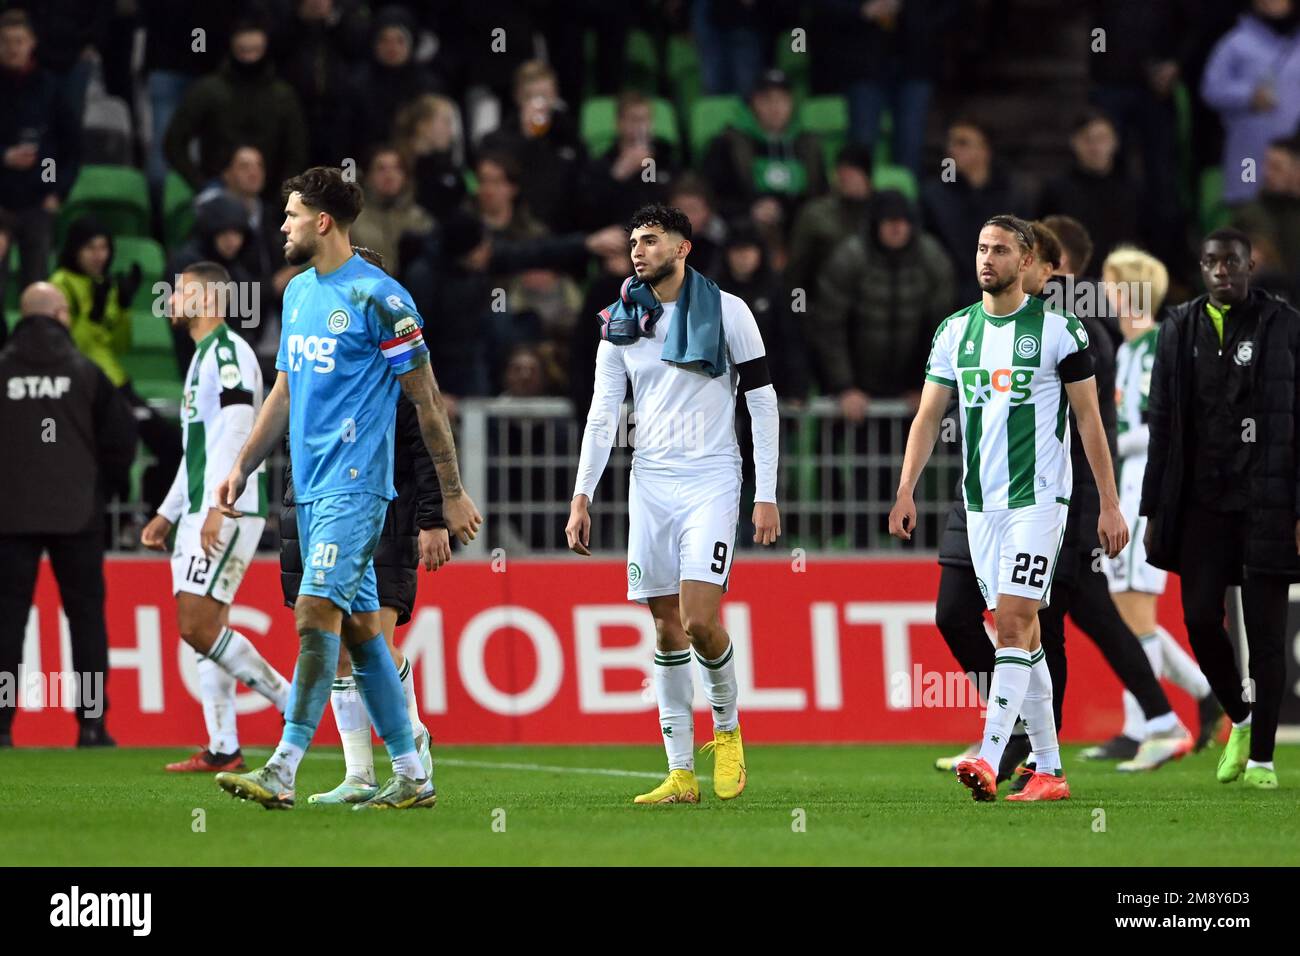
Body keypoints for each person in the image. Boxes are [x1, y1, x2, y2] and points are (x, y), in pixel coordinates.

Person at [213, 166, 481, 810]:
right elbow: (284, 390)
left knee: (314, 618)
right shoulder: (299, 293)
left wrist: (451, 493)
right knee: (365, 635)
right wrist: (243, 465)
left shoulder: (380, 298)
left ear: (322, 222)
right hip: (306, 490)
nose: (281, 225)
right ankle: (414, 775)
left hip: (357, 491)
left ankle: (282, 767)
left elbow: (426, 401)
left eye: (292, 214)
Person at [889, 214, 1129, 803]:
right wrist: (905, 489)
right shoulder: (953, 332)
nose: (986, 258)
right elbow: (927, 418)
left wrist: (1109, 504)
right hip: (980, 505)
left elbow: (1090, 421)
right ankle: (1050, 769)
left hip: (1039, 501)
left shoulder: (1059, 331)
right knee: (1023, 635)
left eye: (999, 250)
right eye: (981, 248)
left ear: (1026, 262)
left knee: (1016, 623)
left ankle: (992, 755)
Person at [567, 203, 781, 805]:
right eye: (634, 240)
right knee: (664, 629)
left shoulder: (730, 311)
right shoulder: (618, 322)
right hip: (650, 481)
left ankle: (730, 729)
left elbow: (762, 404)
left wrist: (765, 492)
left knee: (698, 620)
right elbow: (603, 412)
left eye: (652, 240)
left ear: (684, 248)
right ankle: (681, 773)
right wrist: (583, 494)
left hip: (712, 476)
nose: (638, 250)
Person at [281, 246, 449, 803]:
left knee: (369, 634)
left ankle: (410, 744)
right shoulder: (321, 359)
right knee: (345, 640)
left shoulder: (394, 368)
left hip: (385, 511)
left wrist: (434, 518)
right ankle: (361, 772)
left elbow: (425, 440)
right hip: (314, 506)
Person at [1141, 227, 1300, 789]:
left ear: (1250, 265)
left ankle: (1261, 761)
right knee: (1201, 619)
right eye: (1211, 263)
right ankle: (1239, 713)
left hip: (1268, 500)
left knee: (1266, 634)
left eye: (1231, 262)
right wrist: (1152, 509)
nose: (1221, 271)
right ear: (1201, 268)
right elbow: (1162, 421)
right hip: (1201, 502)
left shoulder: (1284, 326)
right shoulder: (1179, 328)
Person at [139, 262, 291, 772]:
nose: (173, 299)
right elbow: (197, 450)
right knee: (212, 624)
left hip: (227, 506)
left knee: (196, 625)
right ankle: (223, 746)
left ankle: (295, 708)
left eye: (182, 292)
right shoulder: (203, 355)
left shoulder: (227, 351)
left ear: (208, 300)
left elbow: (238, 426)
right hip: (206, 504)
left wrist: (214, 506)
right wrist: (167, 512)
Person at [1092, 246, 1220, 760]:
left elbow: (1162, 427)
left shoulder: (1155, 349)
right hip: (1126, 494)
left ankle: (1143, 729)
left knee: (1133, 613)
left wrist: (1103, 444)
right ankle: (1210, 695)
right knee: (1128, 612)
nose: (1104, 291)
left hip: (1148, 496)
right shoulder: (1128, 351)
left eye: (1111, 282)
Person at [0, 283, 137, 747]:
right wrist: (103, 491)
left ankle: (1, 727)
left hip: (9, 517)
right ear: (60, 315)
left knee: (6, 622)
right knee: (85, 621)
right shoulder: (87, 373)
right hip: (78, 514)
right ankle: (92, 725)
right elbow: (122, 441)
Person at [50, 216, 182, 518]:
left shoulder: (104, 285)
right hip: (82, 385)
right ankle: (110, 524)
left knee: (169, 444)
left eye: (104, 248)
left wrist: (122, 307)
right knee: (111, 450)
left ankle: (148, 516)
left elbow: (119, 345)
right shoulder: (60, 285)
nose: (100, 255)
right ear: (75, 250)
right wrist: (94, 315)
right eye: (91, 248)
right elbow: (70, 344)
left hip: (115, 382)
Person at [163, 16, 307, 201]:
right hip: (216, 192)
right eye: (243, 51)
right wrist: (202, 186)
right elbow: (174, 143)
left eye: (255, 51)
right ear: (232, 47)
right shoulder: (209, 91)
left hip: (269, 198)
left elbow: (296, 153)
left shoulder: (283, 96)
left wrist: (281, 196)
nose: (249, 58)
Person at [0, 10, 77, 311]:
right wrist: (4, 156)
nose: (12, 47)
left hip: (37, 203)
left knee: (37, 292)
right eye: (5, 41)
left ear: (32, 42)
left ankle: (35, 352)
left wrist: (58, 192)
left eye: (19, 41)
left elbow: (72, 147)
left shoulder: (50, 86)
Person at [1201, 0, 1300, 206]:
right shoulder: (1236, 42)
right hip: (1248, 151)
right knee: (1248, 207)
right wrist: (1247, 96)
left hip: (1293, 154)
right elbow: (1211, 88)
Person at [920, 118, 1029, 304]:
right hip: (948, 298)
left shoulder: (1013, 195)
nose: (951, 150)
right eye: (951, 143)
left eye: (962, 143)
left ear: (985, 151)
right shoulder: (934, 196)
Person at [346, 145, 434, 277]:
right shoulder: (352, 221)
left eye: (396, 168)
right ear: (368, 176)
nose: (389, 175)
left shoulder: (419, 219)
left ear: (405, 176)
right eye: (381, 169)